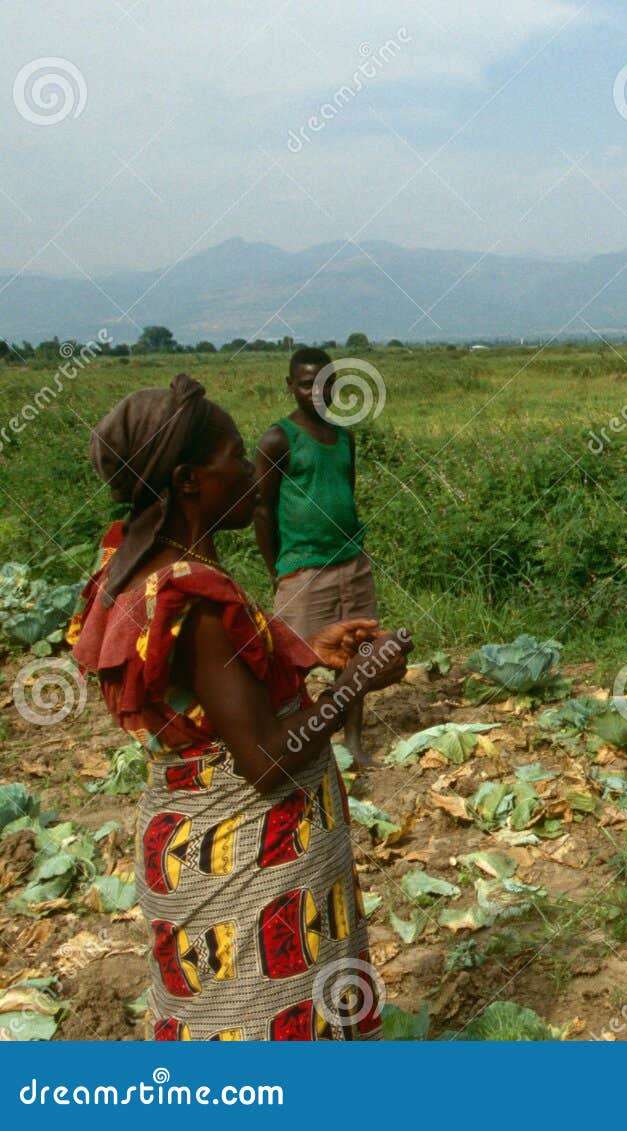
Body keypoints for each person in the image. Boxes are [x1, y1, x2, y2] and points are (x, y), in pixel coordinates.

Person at [68, 373, 412, 1041]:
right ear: (190, 479)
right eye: (232, 456)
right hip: (250, 870)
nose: (252, 473)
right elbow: (264, 760)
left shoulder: (141, 571)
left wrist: (308, 650)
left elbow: (204, 700)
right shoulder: (194, 602)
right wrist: (355, 685)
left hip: (191, 850)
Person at [254, 347, 380, 766]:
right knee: (295, 662)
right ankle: (300, 745)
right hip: (304, 570)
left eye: (325, 383)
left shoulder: (345, 436)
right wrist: (277, 571)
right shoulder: (278, 439)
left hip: (351, 561)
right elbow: (262, 509)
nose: (316, 392)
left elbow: (346, 488)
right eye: (306, 384)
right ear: (290, 385)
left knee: (358, 655)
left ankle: (354, 741)